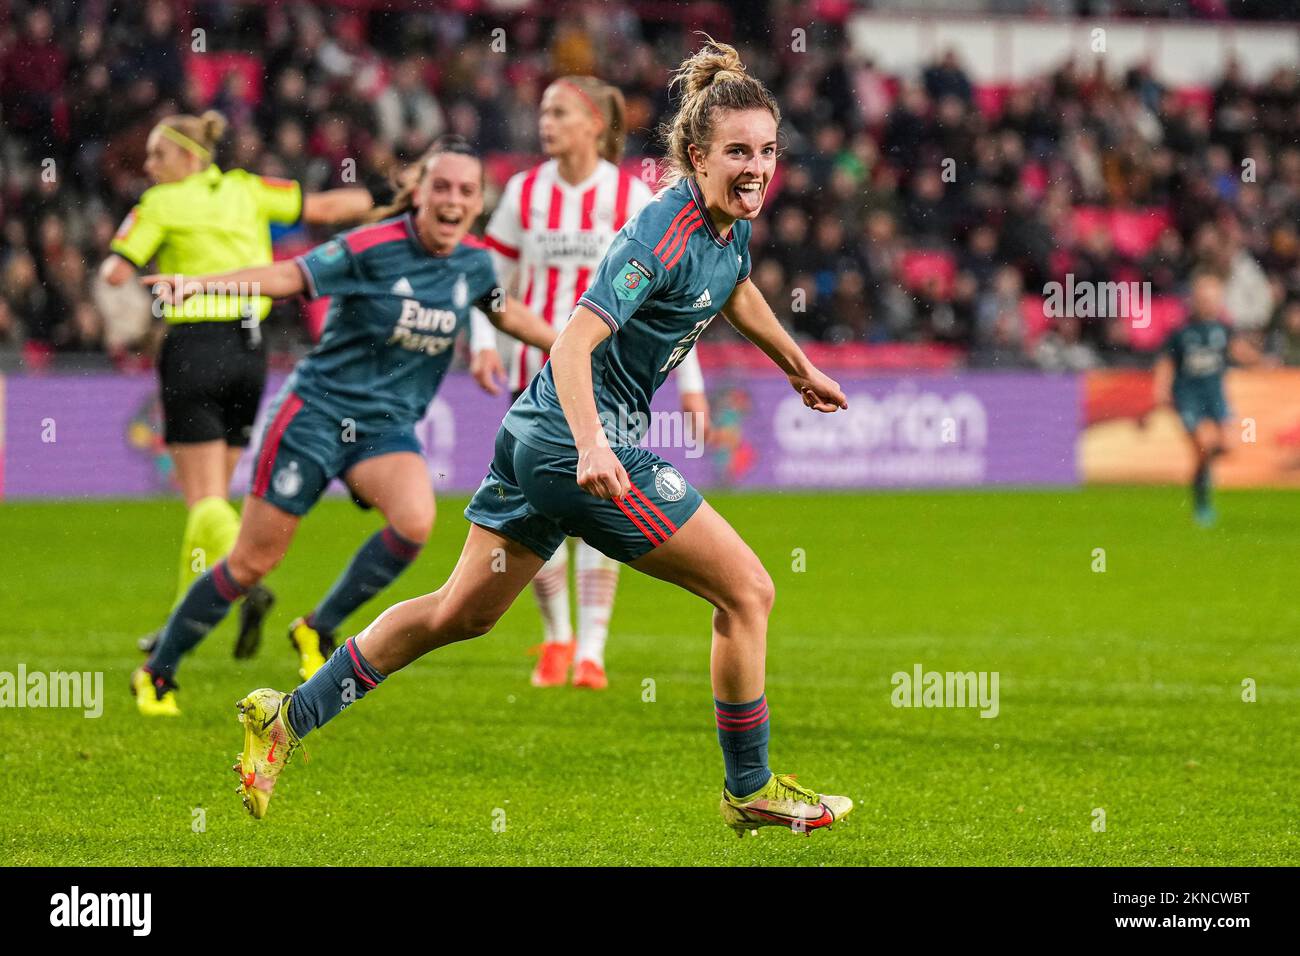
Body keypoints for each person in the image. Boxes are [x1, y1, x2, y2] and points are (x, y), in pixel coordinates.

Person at [233, 40, 855, 838]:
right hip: (570, 440)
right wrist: (595, 445)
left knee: (458, 613)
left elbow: (735, 290)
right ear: (695, 156)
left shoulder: (726, 227)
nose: (757, 166)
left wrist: (798, 365)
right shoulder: (660, 232)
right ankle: (751, 787)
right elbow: (571, 343)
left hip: (531, 437)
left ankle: (285, 717)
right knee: (748, 592)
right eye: (738, 152)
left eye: (767, 151)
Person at [129, 138, 555, 715]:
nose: (453, 200)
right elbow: (289, 276)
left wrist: (575, 344)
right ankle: (157, 672)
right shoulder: (371, 245)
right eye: (442, 188)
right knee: (252, 562)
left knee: (414, 522)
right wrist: (204, 285)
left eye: (467, 191)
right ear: (419, 193)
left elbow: (507, 310)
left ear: (478, 202)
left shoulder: (475, 265)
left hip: (386, 428)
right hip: (315, 416)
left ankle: (316, 627)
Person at [99, 110, 374, 658]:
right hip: (250, 350)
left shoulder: (160, 203)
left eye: (157, 154)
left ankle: (250, 586)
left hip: (194, 346)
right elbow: (338, 206)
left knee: (200, 500)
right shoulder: (249, 190)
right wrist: (382, 200)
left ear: (188, 157)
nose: (149, 165)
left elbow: (114, 271)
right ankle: (180, 627)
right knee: (213, 502)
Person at [469, 74, 710, 690]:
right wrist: (481, 343)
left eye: (557, 112)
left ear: (594, 124)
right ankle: (556, 638)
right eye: (542, 112)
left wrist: (692, 386)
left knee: (603, 512)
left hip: (615, 384)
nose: (544, 123)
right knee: (533, 515)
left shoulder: (632, 197)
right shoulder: (524, 193)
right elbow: (490, 282)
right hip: (536, 382)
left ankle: (592, 651)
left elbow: (673, 298)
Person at [1153, 271, 1263, 526]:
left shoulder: (1222, 329)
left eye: (1214, 298)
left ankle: (1202, 474)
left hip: (1215, 396)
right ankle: (1201, 502)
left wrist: (1262, 360)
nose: (1210, 303)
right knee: (1204, 444)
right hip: (1188, 397)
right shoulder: (1180, 331)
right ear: (1196, 300)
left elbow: (1239, 350)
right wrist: (1161, 390)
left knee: (1229, 446)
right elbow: (1166, 362)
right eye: (1205, 298)